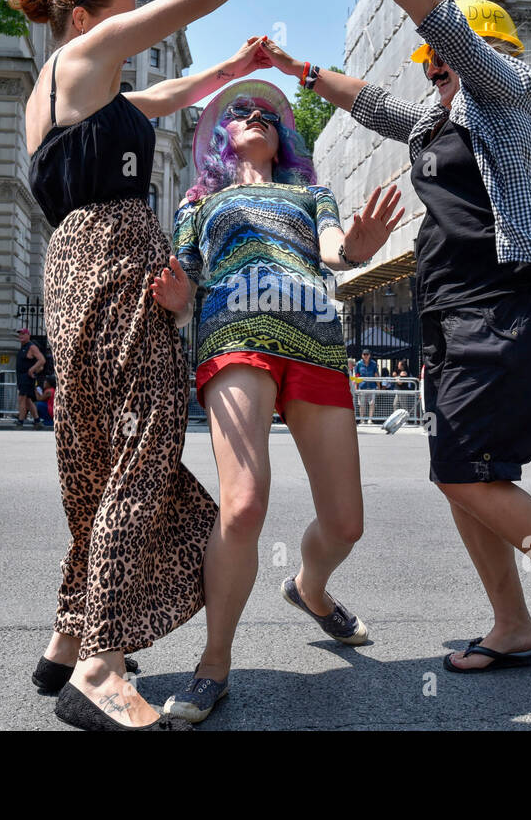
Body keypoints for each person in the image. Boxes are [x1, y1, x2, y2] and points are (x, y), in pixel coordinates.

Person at [258, 0, 531, 673]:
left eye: (439, 58)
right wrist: (293, 69)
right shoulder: (435, 124)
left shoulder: (504, 91)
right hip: (454, 315)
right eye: (428, 63)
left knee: (465, 472)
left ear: (468, 53)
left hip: (504, 303)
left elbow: (440, 17)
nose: (430, 69)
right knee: (467, 479)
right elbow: (368, 101)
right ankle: (511, 626)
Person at [10, 0, 352, 731]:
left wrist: (238, 71)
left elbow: (174, 96)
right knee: (142, 447)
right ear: (90, 16)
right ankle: (99, 663)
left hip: (72, 266)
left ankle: (67, 634)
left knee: (95, 454)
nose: (138, 28)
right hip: (117, 259)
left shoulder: (76, 93)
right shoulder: (87, 57)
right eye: (127, 13)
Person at [151, 78, 401, 723]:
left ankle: (309, 589)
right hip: (235, 335)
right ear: (221, 135)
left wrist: (353, 251)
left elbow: (331, 251)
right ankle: (214, 663)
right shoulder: (198, 204)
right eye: (241, 113)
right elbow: (187, 278)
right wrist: (179, 306)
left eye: (266, 113)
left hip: (315, 338)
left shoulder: (310, 194)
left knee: (346, 523)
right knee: (244, 504)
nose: (255, 116)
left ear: (281, 134)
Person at [12, 328, 46, 428]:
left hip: (26, 377)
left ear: (28, 335)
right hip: (21, 377)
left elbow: (42, 360)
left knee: (21, 399)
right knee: (27, 400)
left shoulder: (32, 347)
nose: (21, 336)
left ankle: (20, 421)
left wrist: (32, 369)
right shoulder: (23, 346)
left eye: (23, 334)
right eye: (20, 334)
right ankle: (37, 421)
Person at [354, 349, 378, 424]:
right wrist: (356, 387)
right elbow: (357, 375)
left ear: (370, 355)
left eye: (367, 354)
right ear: (362, 355)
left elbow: (376, 375)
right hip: (362, 386)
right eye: (364, 354)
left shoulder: (373, 364)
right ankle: (362, 419)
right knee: (361, 404)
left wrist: (378, 386)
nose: (366, 356)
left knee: (372, 403)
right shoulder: (358, 364)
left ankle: (370, 419)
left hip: (372, 386)